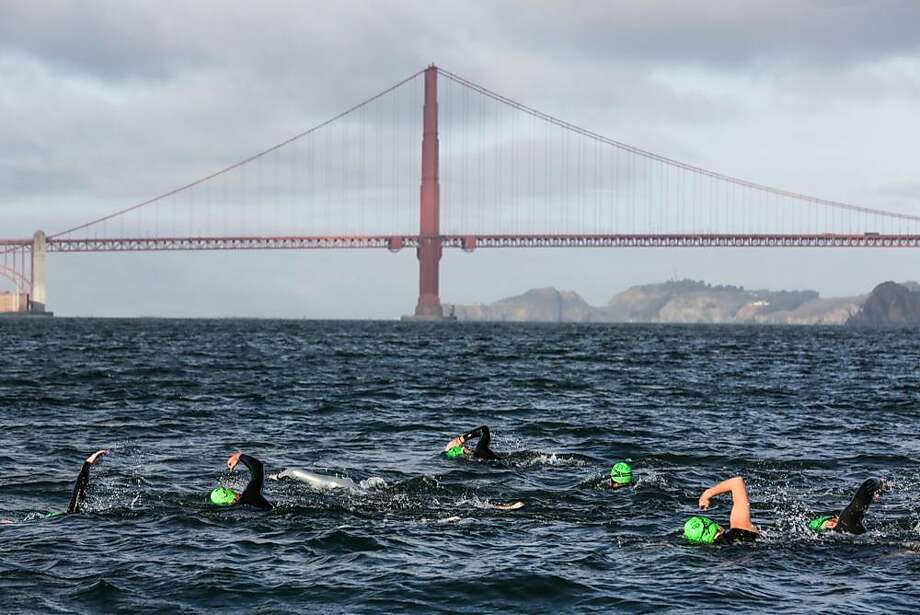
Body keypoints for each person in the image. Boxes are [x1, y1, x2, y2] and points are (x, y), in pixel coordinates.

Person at [684, 476, 759, 545]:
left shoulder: (713, 557)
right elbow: (736, 482)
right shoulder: (742, 527)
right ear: (717, 526)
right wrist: (706, 495)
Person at [807, 478, 885, 534]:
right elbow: (867, 487)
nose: (831, 523)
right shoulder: (845, 522)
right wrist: (874, 481)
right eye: (831, 522)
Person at [67, 449, 110, 514]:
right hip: (73, 513)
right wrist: (97, 454)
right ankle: (94, 456)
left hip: (73, 513)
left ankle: (94, 456)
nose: (98, 463)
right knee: (80, 487)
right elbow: (84, 469)